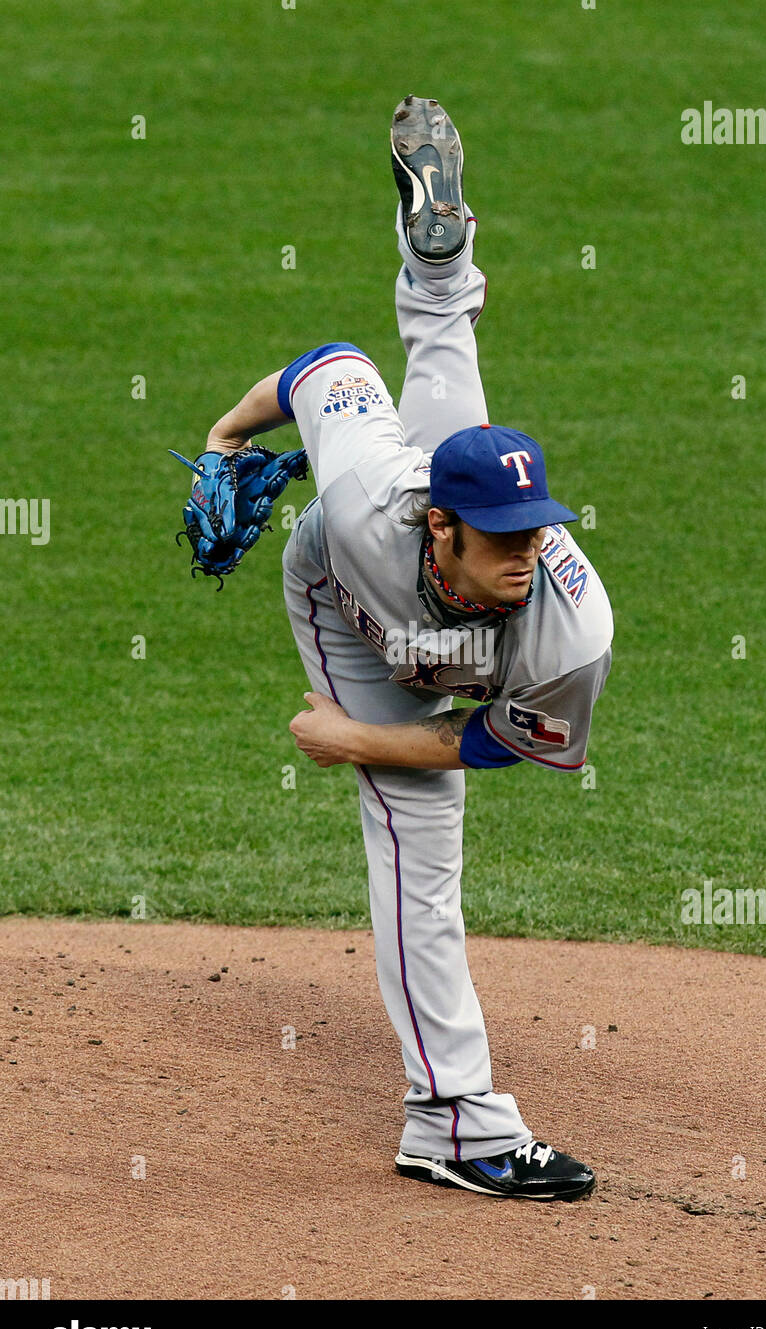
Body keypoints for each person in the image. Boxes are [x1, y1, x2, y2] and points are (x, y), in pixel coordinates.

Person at [202, 95, 614, 1201]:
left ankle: (441, 259)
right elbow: (324, 370)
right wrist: (226, 436)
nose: (528, 553)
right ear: (442, 520)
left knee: (446, 342)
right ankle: (460, 1124)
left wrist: (349, 738)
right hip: (351, 595)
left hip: (455, 627)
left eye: (539, 530)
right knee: (418, 850)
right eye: (503, 537)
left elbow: (497, 745)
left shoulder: (571, 622)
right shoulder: (374, 492)